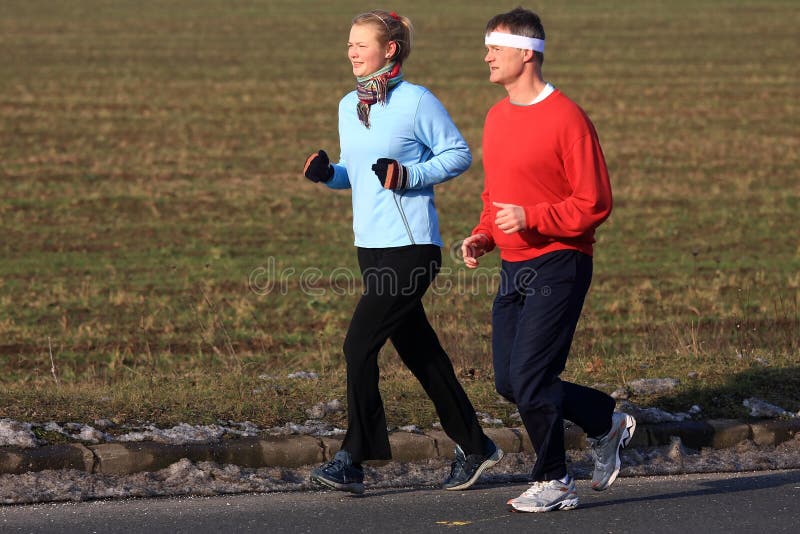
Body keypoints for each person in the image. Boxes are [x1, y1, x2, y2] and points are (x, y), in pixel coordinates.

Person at [303, 9, 503, 495]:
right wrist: (328, 175)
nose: (351, 52)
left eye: (360, 44)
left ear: (389, 49)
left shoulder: (416, 101)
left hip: (412, 249)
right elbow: (354, 170)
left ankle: (354, 456)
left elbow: (457, 154)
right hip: (369, 248)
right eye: (348, 44)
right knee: (421, 354)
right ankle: (476, 446)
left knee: (358, 345)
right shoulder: (349, 105)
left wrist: (410, 176)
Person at [460, 8, 636, 512]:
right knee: (510, 382)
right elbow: (498, 196)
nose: (486, 56)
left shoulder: (568, 118)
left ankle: (556, 482)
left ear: (525, 53)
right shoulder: (496, 116)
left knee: (533, 378)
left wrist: (533, 217)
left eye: (495, 47)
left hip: (561, 261)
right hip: (513, 264)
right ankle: (606, 420)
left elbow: (594, 203)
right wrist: (482, 235)